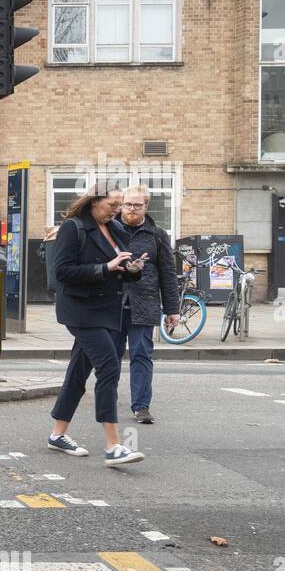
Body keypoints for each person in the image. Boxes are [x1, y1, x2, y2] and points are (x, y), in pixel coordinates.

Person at [49, 182, 148, 467]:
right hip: (80, 310)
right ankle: (114, 445)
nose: (117, 211)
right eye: (112, 205)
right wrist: (104, 267)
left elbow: (119, 268)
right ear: (94, 201)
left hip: (106, 310)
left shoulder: (115, 229)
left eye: (120, 206)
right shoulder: (73, 227)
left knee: (79, 371)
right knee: (109, 367)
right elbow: (62, 272)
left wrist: (131, 269)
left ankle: (57, 435)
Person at [112, 185, 180, 425]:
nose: (132, 209)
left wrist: (173, 309)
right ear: (121, 204)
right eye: (128, 204)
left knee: (141, 355)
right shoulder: (109, 229)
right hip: (112, 303)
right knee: (110, 356)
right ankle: (108, 401)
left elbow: (168, 273)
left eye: (137, 205)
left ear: (146, 207)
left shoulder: (157, 234)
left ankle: (141, 406)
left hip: (144, 303)